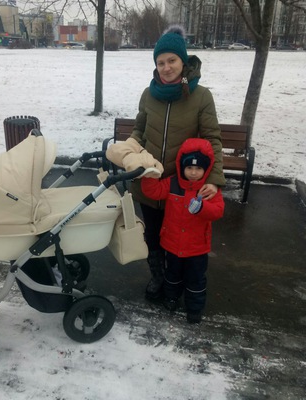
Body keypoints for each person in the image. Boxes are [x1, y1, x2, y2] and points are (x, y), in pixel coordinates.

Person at [106, 25, 226, 301]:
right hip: (150, 181)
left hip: (182, 187)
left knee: (178, 237)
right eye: (160, 62)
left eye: (172, 60)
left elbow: (213, 140)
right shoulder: (149, 94)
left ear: (183, 61)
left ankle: (176, 281)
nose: (166, 67)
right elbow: (139, 131)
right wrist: (128, 151)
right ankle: (158, 277)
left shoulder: (201, 96)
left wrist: (213, 180)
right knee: (153, 236)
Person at [141, 138, 225, 323]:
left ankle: (194, 308)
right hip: (172, 243)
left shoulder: (209, 189)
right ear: (182, 167)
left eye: (198, 168)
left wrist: (202, 207)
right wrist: (148, 174)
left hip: (197, 247)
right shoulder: (173, 183)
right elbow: (154, 191)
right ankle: (171, 298)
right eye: (189, 168)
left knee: (196, 279)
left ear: (206, 169)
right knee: (172, 275)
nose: (193, 173)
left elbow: (218, 211)